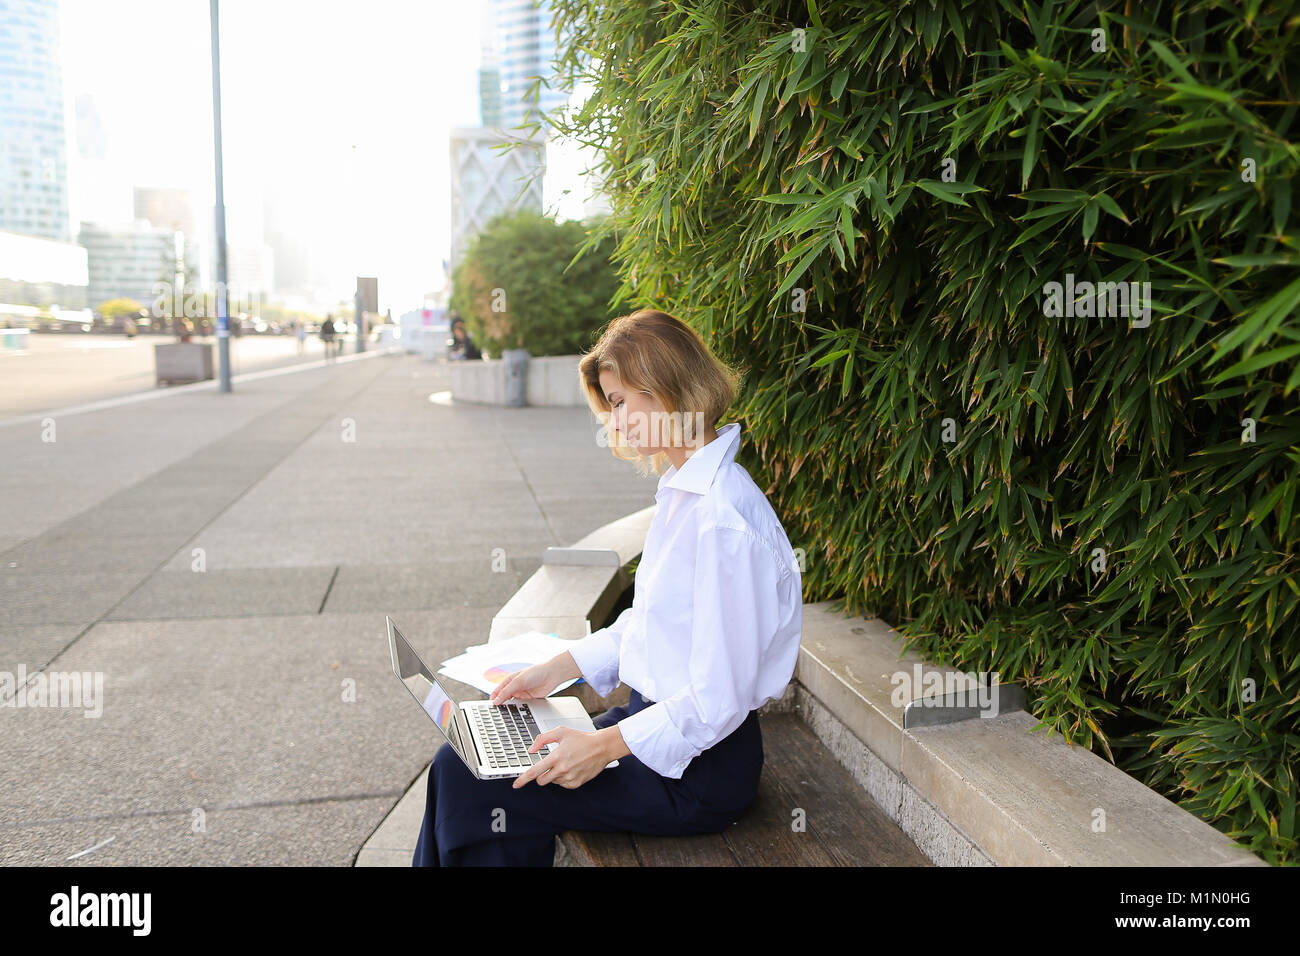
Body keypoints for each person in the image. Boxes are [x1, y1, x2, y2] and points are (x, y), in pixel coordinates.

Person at [411, 308, 803, 866]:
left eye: (620, 403)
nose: (613, 424)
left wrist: (600, 748)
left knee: (480, 785)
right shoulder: (686, 490)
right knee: (464, 763)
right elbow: (649, 625)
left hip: (696, 771)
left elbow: (718, 698)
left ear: (666, 386)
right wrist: (557, 668)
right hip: (651, 731)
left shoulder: (723, 519)